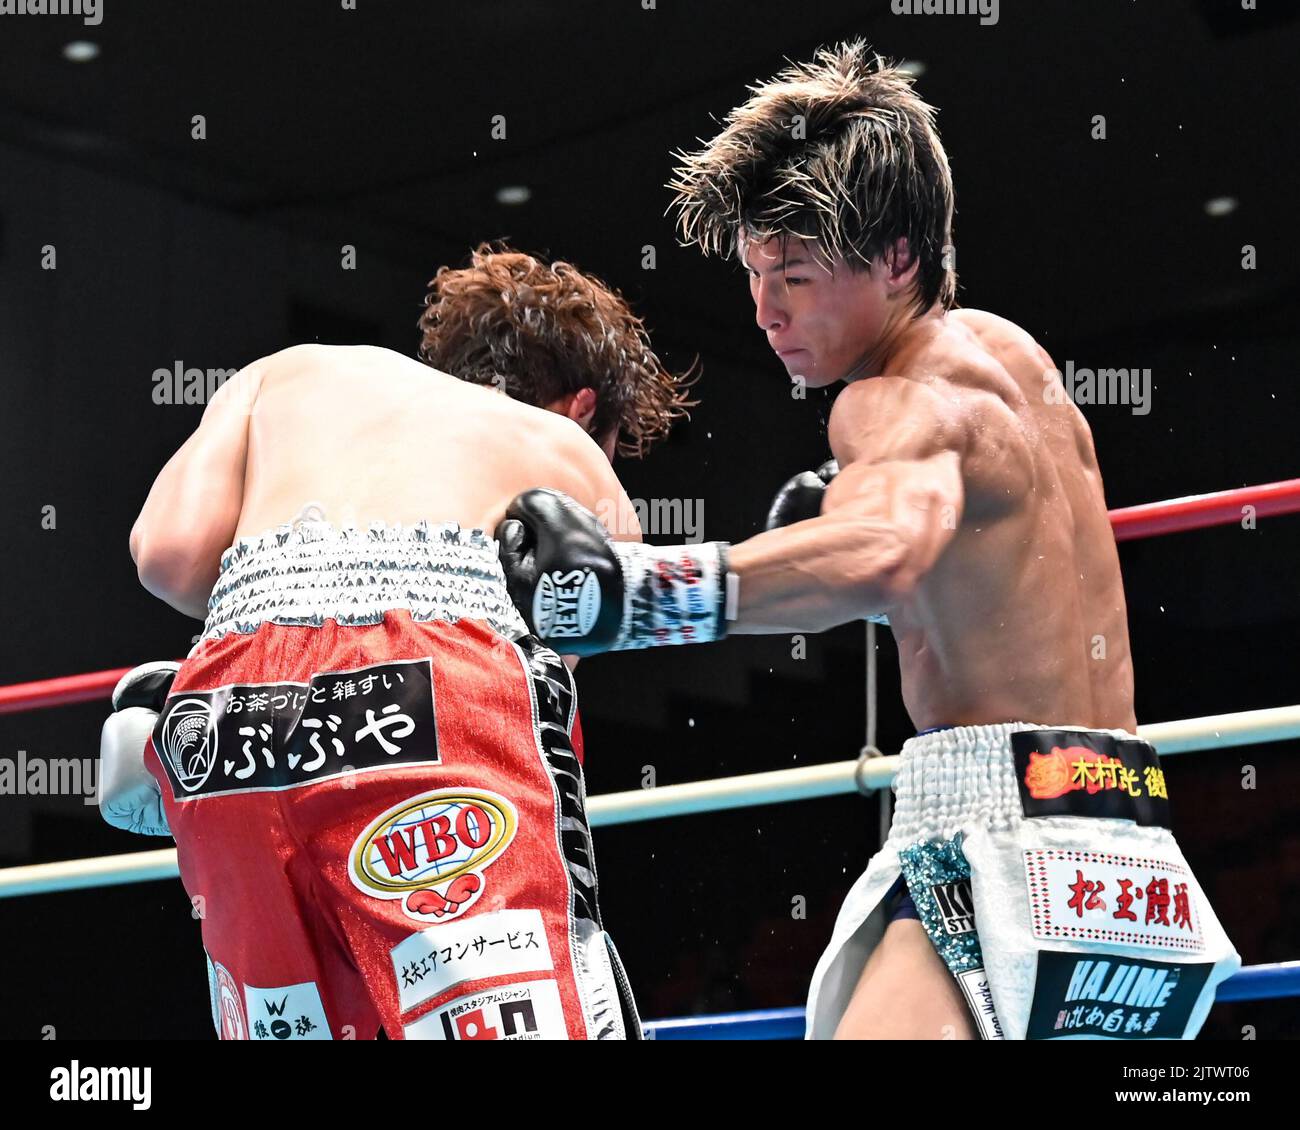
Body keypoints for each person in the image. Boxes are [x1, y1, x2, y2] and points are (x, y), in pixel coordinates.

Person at [491, 41, 1242, 1040]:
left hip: (998, 839)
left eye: (795, 276)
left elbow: (883, 549)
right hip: (1125, 835)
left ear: (896, 258)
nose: (764, 312)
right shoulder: (1011, 355)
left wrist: (636, 591)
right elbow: (943, 556)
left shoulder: (889, 398)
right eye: (756, 274)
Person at [99, 243, 690, 1040]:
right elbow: (579, 635)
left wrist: (293, 655)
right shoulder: (565, 448)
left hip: (224, 713)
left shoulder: (285, 373)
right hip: (432, 695)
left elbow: (166, 560)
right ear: (585, 406)